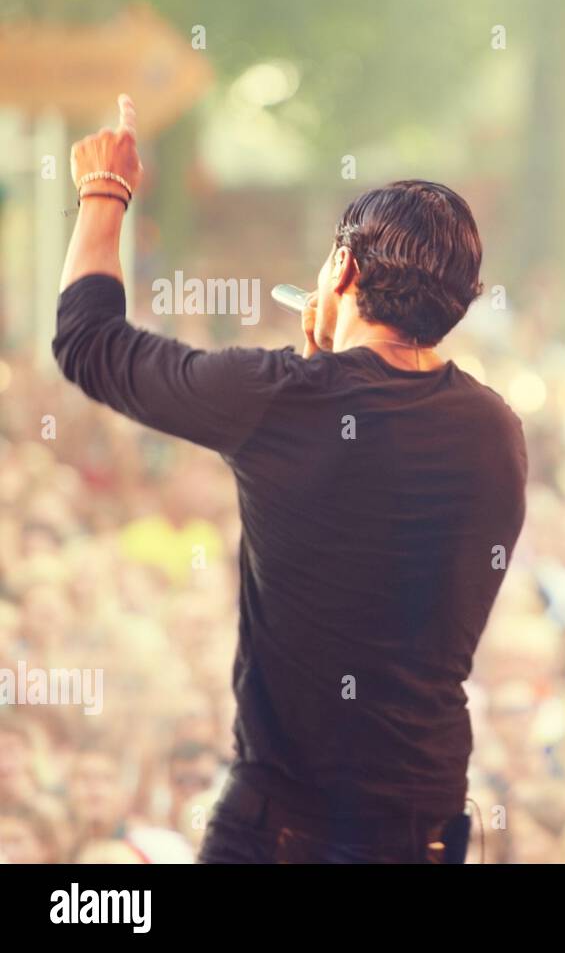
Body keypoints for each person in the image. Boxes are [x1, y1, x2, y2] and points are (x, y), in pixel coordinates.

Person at [55, 95, 527, 863]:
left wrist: (105, 190)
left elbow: (89, 343)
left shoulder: (282, 401)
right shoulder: (497, 430)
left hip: (286, 825)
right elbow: (372, 484)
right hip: (425, 821)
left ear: (342, 267)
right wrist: (323, 368)